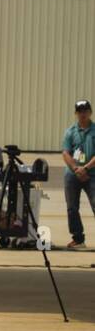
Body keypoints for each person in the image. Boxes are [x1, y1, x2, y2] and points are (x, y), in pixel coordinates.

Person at [63, 99, 95, 249]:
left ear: (90, 112)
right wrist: (76, 169)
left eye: (85, 111)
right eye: (80, 111)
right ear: (76, 113)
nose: (83, 114)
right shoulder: (70, 132)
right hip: (72, 174)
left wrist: (86, 168)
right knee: (72, 207)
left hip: (92, 174)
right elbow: (66, 153)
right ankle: (78, 238)